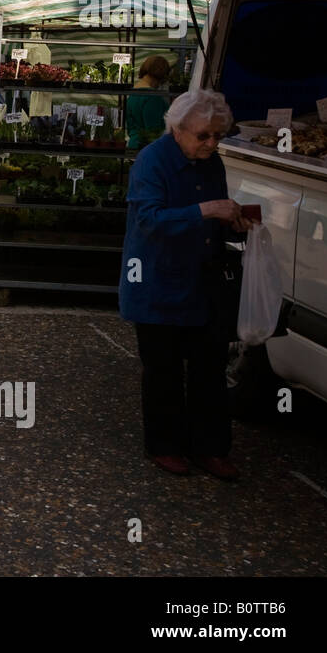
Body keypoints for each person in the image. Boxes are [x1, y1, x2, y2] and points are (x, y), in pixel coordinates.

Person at [119, 89, 255, 482]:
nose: (212, 144)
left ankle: (210, 448)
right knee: (163, 369)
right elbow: (149, 220)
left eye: (218, 136)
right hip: (156, 280)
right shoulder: (151, 161)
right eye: (203, 136)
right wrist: (207, 210)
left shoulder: (212, 163)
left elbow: (215, 211)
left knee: (208, 369)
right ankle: (165, 446)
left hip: (202, 279)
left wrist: (234, 221)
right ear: (178, 129)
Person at [126, 56, 172, 149]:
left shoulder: (133, 93)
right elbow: (153, 132)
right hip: (148, 149)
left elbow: (131, 126)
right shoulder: (152, 97)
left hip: (134, 145)